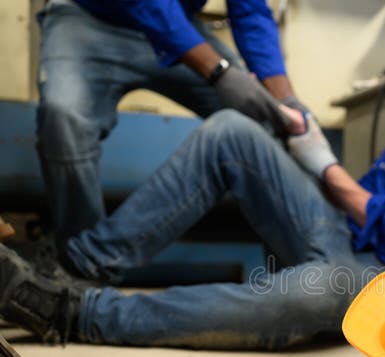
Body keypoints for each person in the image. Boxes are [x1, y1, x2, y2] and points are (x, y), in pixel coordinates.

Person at [0, 0, 385, 350]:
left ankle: (78, 314)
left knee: (312, 293)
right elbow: (376, 217)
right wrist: (298, 140)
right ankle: (78, 265)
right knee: (232, 129)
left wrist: (322, 163)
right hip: (356, 243)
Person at [36, 0, 306, 247]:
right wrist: (219, 72)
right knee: (64, 117)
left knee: (271, 127)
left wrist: (286, 101)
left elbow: (251, 10)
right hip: (88, 15)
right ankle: (79, 270)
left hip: (179, 20)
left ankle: (296, 280)